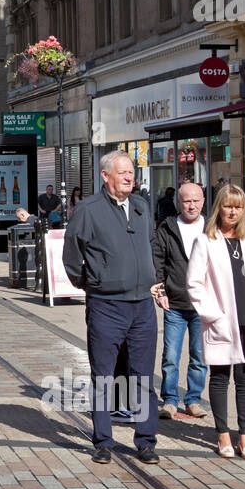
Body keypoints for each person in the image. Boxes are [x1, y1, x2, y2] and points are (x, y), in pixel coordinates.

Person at [62, 151, 161, 465]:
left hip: (143, 305)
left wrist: (154, 279)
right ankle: (103, 441)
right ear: (105, 176)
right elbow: (70, 255)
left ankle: (145, 441)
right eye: (122, 172)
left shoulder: (143, 207)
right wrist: (92, 281)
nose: (129, 177)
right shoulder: (88, 210)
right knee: (104, 376)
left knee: (143, 375)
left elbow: (152, 246)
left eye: (131, 171)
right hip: (106, 305)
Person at [185, 185, 245, 460]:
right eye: (228, 206)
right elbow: (193, 284)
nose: (233, 211)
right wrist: (213, 314)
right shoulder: (206, 241)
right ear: (219, 208)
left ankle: (244, 436)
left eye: (238, 206)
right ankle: (223, 434)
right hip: (222, 321)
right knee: (221, 377)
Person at [150, 182, 208, 420]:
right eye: (186, 201)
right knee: (170, 357)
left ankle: (193, 399)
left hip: (203, 305)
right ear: (178, 203)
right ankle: (170, 400)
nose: (191, 205)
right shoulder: (168, 227)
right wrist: (160, 290)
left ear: (203, 201)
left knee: (199, 356)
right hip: (174, 302)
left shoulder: (212, 228)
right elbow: (158, 260)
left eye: (195, 200)